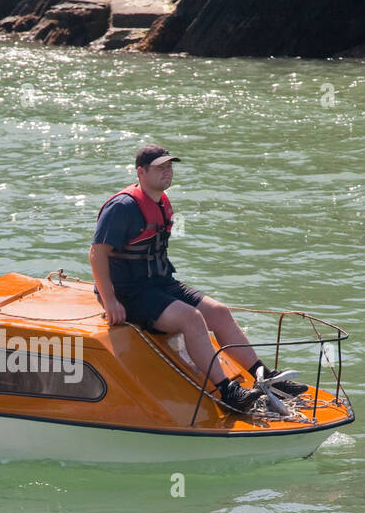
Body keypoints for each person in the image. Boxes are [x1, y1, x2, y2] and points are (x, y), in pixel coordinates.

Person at [90, 144, 308, 414]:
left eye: (169, 167)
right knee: (191, 318)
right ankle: (229, 391)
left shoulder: (160, 201)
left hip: (159, 284)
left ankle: (265, 378)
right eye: (160, 168)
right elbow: (97, 254)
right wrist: (110, 301)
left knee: (218, 312)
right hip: (129, 292)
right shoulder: (122, 207)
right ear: (141, 172)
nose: (167, 172)